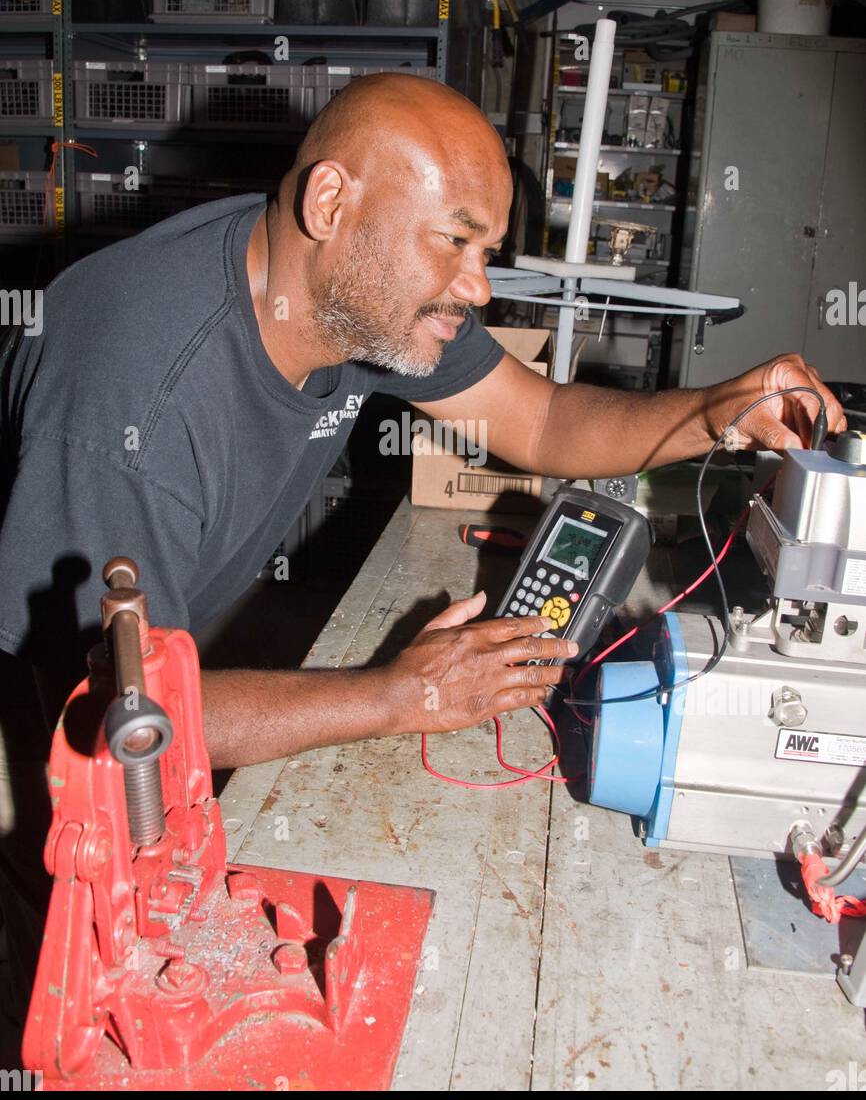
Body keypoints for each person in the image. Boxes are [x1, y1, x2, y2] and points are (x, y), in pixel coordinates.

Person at [0, 72, 845, 1014]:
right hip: (36, 714)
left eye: (485, 249)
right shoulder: (139, 398)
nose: (477, 286)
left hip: (141, 663)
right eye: (456, 241)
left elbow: (547, 420)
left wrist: (714, 413)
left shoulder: (337, 281)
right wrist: (402, 692)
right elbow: (119, 724)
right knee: (66, 982)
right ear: (332, 201)